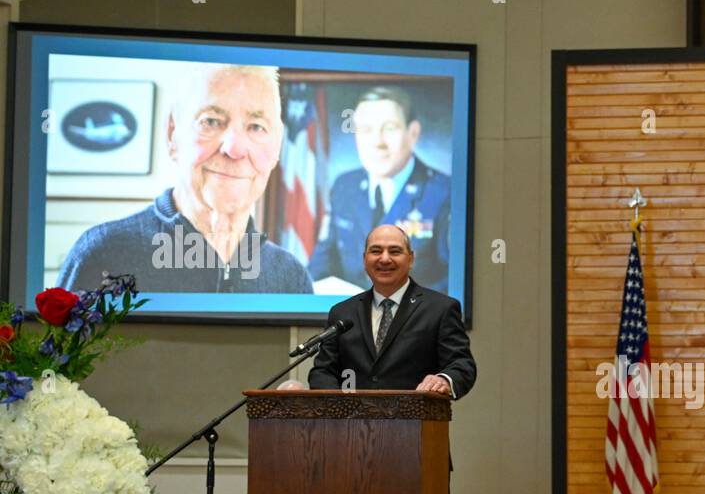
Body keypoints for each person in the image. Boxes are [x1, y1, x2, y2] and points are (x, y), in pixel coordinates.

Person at [58, 64, 312, 294]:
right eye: (211, 121)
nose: (235, 149)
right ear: (173, 135)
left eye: (256, 126)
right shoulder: (104, 254)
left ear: (277, 146)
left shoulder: (292, 278)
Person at [307, 86, 452, 292]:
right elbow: (320, 266)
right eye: (366, 130)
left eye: (389, 128)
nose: (377, 142)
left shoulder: (444, 193)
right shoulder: (344, 187)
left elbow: (454, 283)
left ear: (413, 133)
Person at [308, 223, 474, 396]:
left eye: (394, 251)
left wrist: (444, 380)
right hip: (352, 420)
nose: (385, 259)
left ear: (410, 259)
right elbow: (323, 372)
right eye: (376, 251)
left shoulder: (440, 309)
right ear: (365, 259)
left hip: (415, 419)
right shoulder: (342, 312)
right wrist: (340, 407)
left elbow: (462, 364)